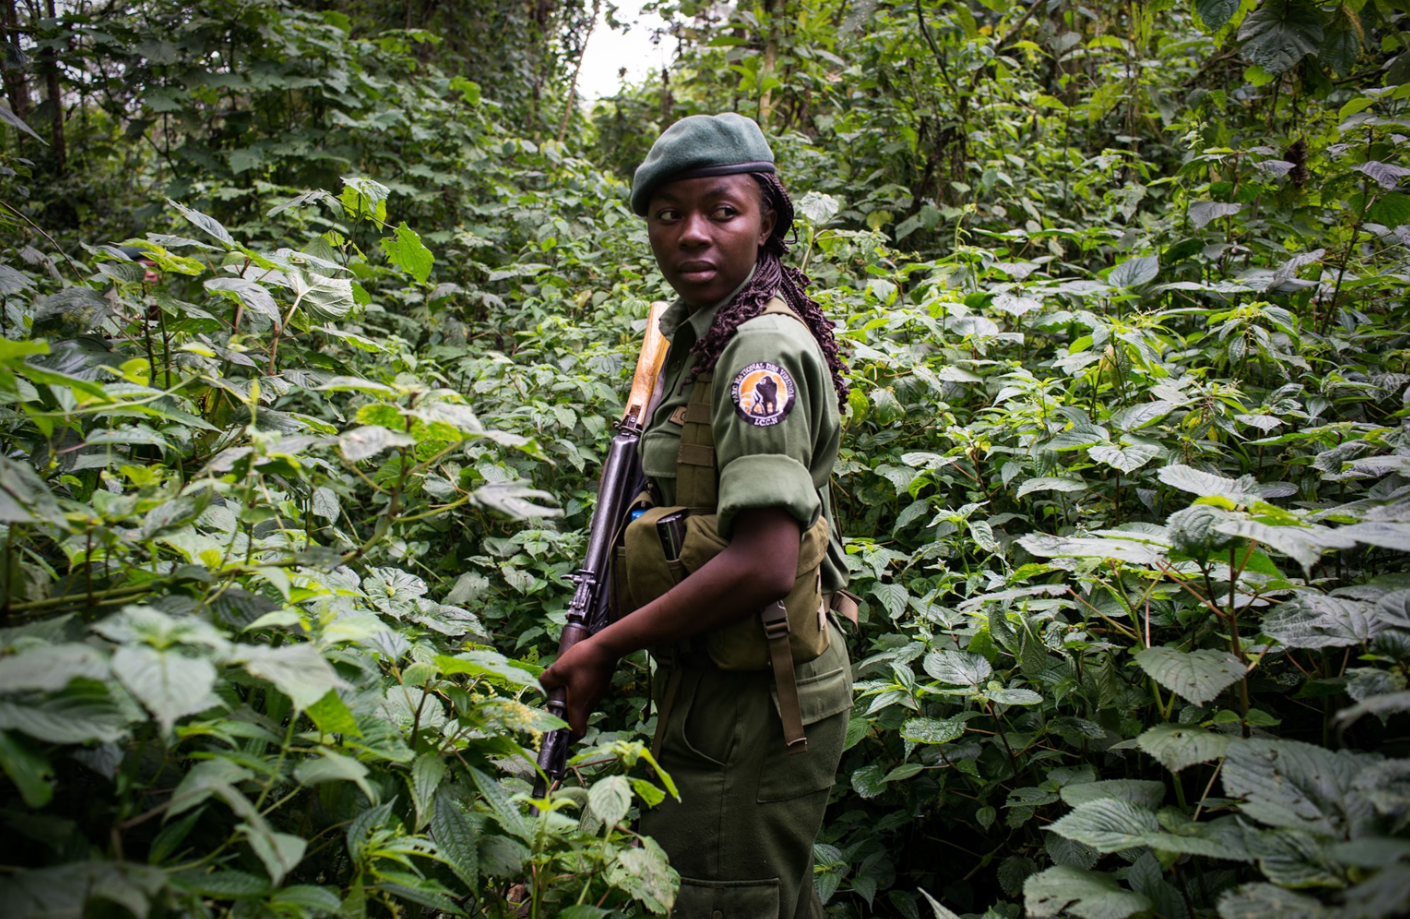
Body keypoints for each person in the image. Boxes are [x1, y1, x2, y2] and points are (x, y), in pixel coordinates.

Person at [540, 113, 855, 919]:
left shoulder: (758, 352)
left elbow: (765, 561)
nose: (692, 234)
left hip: (760, 694)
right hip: (722, 670)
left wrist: (605, 646)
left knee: (724, 898)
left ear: (767, 221)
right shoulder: (691, 335)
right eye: (667, 213)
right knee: (755, 890)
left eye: (722, 210)